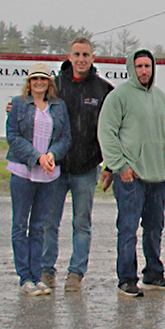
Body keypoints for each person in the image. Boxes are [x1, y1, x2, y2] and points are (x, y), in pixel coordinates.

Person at [98, 49, 165, 297]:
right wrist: (120, 166)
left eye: (148, 66)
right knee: (128, 227)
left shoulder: (160, 98)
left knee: (155, 227)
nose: (144, 71)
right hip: (130, 176)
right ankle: (126, 278)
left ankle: (153, 274)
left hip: (157, 174)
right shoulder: (118, 96)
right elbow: (107, 133)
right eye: (139, 66)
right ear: (131, 69)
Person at [41, 38, 114, 293]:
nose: (81, 59)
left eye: (85, 54)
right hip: (56, 168)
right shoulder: (54, 86)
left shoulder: (103, 90)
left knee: (82, 223)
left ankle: (76, 272)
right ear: (69, 57)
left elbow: (111, 129)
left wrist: (109, 165)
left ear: (93, 58)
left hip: (87, 168)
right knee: (49, 222)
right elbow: (34, 111)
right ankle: (46, 270)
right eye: (77, 54)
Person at [6, 64, 71, 296]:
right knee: (20, 225)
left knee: (39, 226)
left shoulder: (59, 106)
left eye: (43, 79)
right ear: (29, 82)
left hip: (49, 174)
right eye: (35, 79)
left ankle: (37, 275)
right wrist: (37, 157)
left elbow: (65, 137)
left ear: (49, 82)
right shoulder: (18, 104)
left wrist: (52, 155)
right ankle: (25, 277)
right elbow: (13, 136)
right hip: (22, 172)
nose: (39, 83)